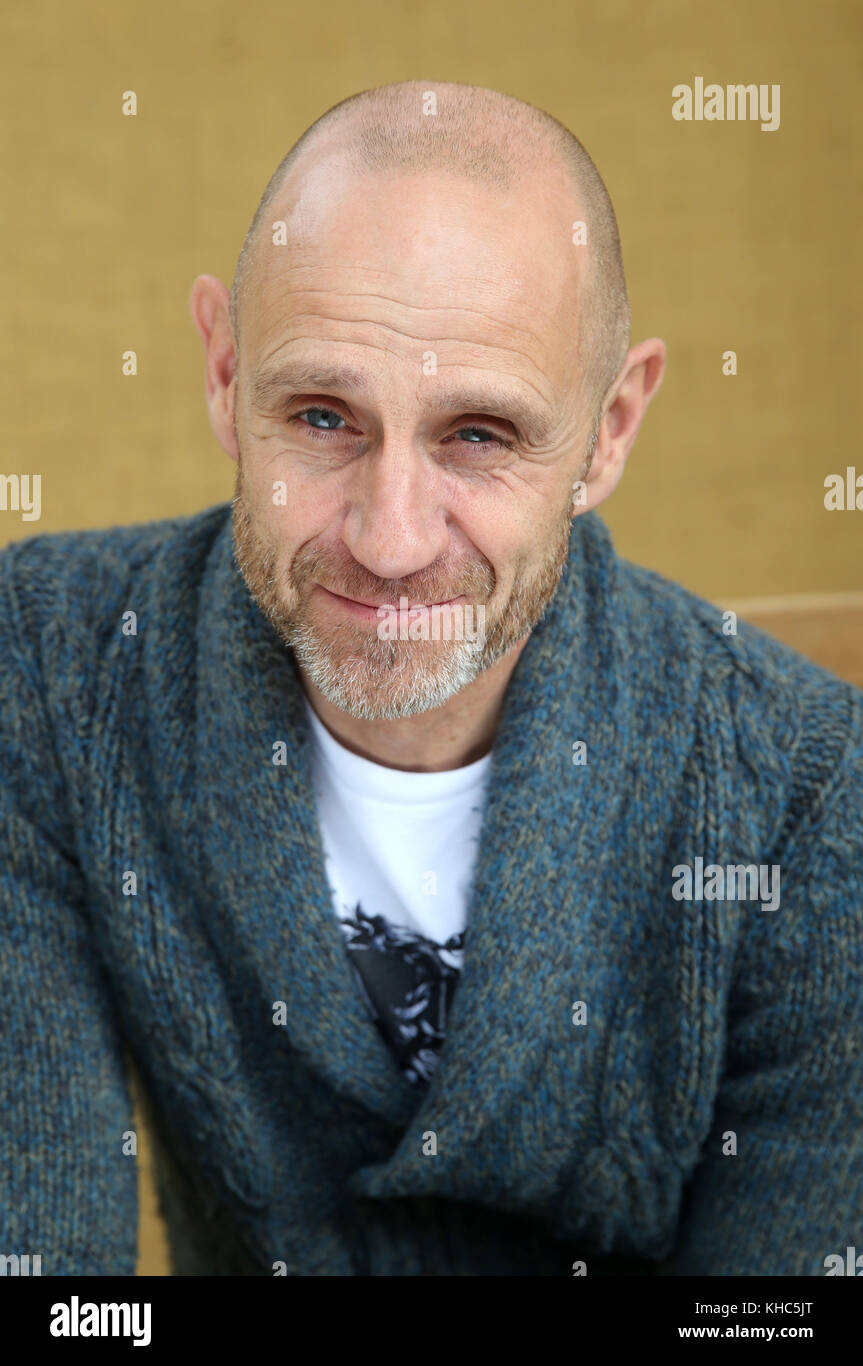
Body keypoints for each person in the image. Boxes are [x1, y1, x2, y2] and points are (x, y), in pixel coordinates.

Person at [1, 80, 861, 1277]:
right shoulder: (48, 667)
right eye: (319, 415)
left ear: (609, 428)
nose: (391, 537)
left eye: (479, 435)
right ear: (219, 370)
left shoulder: (813, 793)